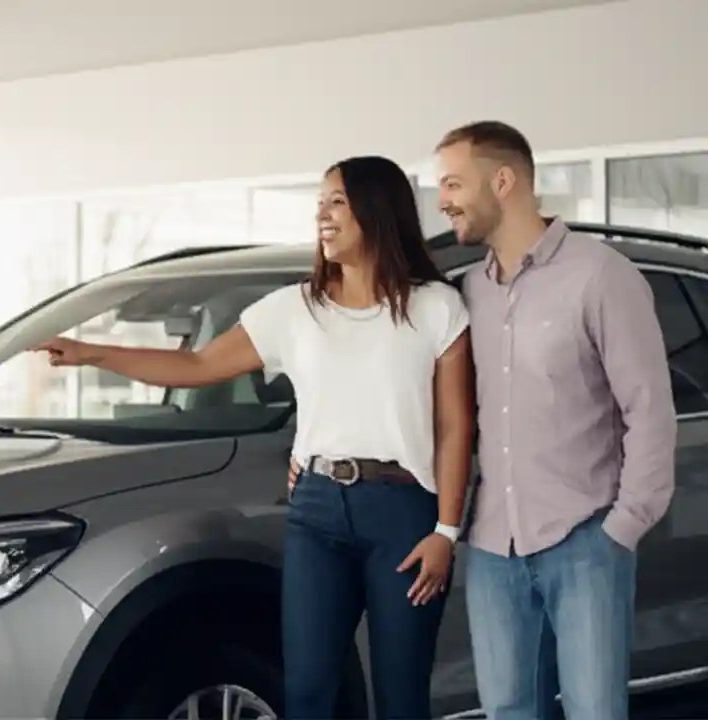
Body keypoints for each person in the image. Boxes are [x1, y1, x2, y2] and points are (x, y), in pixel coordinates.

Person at [34, 155, 474, 719]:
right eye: (320, 204)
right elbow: (197, 365)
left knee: (401, 695)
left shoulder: (436, 307)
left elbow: (455, 424)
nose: (323, 215)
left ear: (377, 208)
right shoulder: (294, 310)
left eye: (337, 202)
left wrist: (446, 531)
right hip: (317, 509)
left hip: (405, 514)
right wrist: (93, 352)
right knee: (308, 692)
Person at [433, 120, 676, 719]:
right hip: (492, 549)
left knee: (595, 713)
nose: (443, 201)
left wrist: (621, 528)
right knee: (508, 712)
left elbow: (648, 408)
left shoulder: (600, 275)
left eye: (453, 183)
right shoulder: (468, 293)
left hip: (585, 540)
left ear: (503, 181)